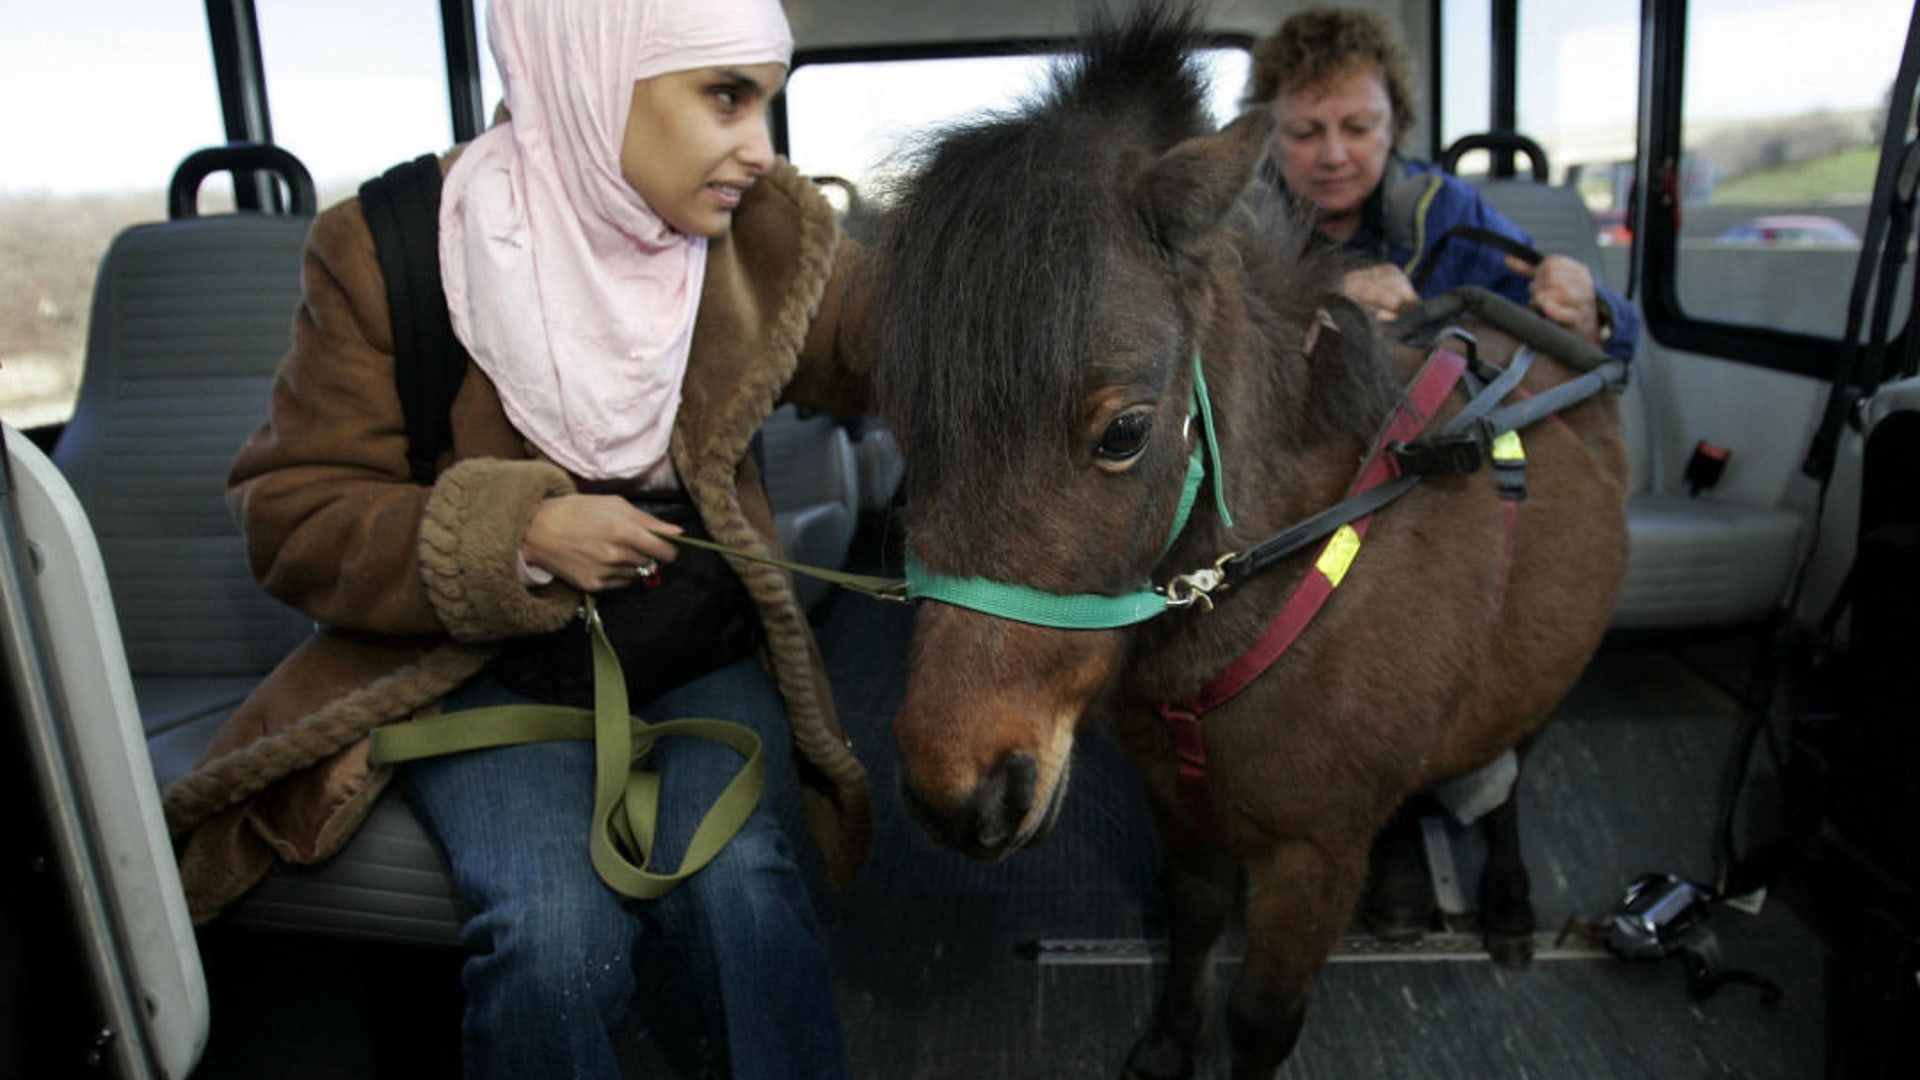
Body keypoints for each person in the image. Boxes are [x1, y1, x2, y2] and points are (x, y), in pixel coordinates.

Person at [160, 0, 872, 1076]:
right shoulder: (390, 245)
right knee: (550, 941)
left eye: (767, 103)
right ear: (595, 73)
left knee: (742, 893)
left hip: (700, 648)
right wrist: (519, 535)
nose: (761, 149)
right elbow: (292, 513)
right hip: (475, 671)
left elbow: (900, 338)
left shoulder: (762, 235)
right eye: (726, 97)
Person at [1250, 6, 1641, 363]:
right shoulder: (1240, 223)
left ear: (1394, 126)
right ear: (1269, 137)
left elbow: (1617, 331)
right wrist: (1310, 306)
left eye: (1358, 128)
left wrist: (1591, 313)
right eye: (1304, 133)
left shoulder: (1447, 210)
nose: (1333, 155)